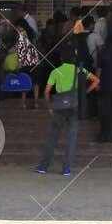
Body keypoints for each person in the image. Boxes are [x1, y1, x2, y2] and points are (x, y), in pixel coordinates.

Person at [36, 48, 98, 176]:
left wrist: (49, 106)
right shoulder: (79, 69)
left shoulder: (56, 71)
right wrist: (84, 93)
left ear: (61, 59)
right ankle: (66, 169)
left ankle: (43, 166)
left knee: (52, 138)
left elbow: (47, 91)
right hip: (74, 107)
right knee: (71, 138)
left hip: (58, 108)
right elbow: (96, 80)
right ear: (74, 59)